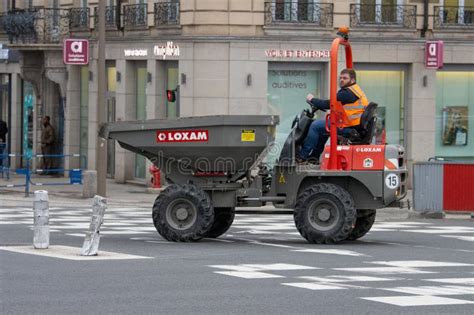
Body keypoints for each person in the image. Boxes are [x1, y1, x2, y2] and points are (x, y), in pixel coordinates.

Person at [297, 68, 369, 164]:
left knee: (315, 125)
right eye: (340, 78)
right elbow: (338, 106)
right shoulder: (354, 90)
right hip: (351, 125)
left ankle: (302, 156)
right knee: (324, 128)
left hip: (350, 128)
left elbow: (328, 104)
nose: (341, 80)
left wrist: (312, 99)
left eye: (345, 78)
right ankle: (313, 158)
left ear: (352, 80)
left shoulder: (347, 93)